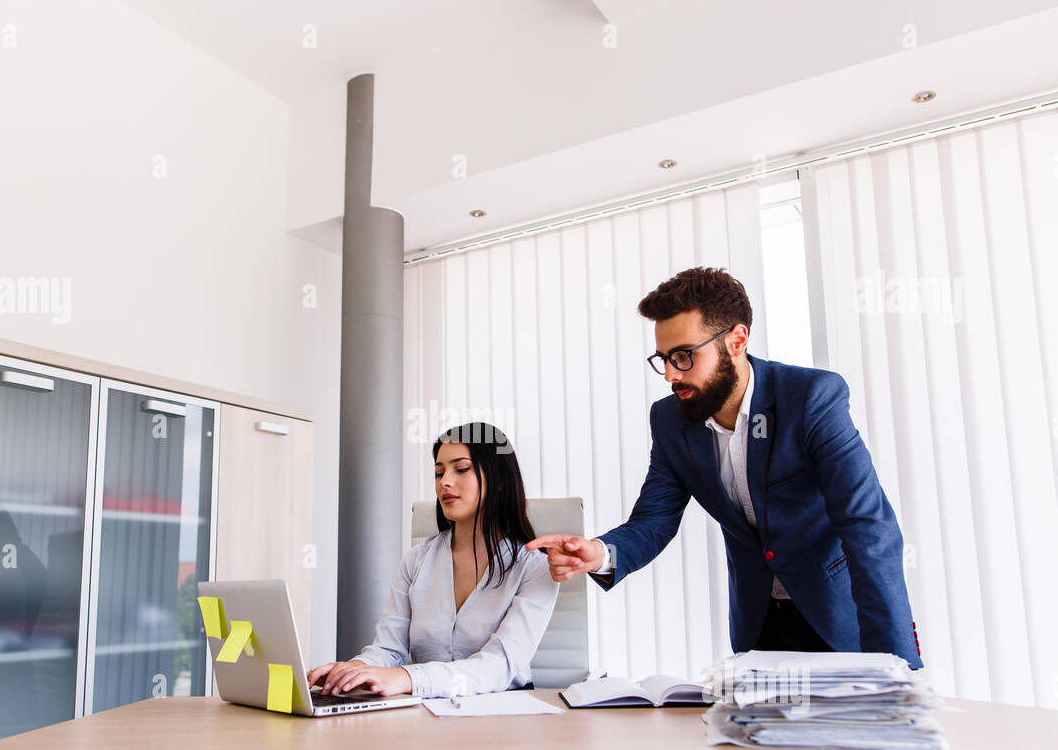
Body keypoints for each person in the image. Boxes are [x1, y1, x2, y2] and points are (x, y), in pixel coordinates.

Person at [526, 266, 922, 668]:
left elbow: (867, 526)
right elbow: (654, 520)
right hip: (759, 627)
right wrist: (598, 553)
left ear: (736, 340)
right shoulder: (671, 421)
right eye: (663, 358)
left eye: (684, 356)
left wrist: (896, 666)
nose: (669, 374)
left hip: (841, 619)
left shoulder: (810, 398)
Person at [310, 422, 560, 697]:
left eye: (461, 469)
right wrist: (355, 669)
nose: (445, 482)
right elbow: (389, 649)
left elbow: (500, 665)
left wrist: (409, 677)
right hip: (426, 712)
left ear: (500, 480)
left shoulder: (535, 567)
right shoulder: (416, 561)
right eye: (439, 473)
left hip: (504, 716)